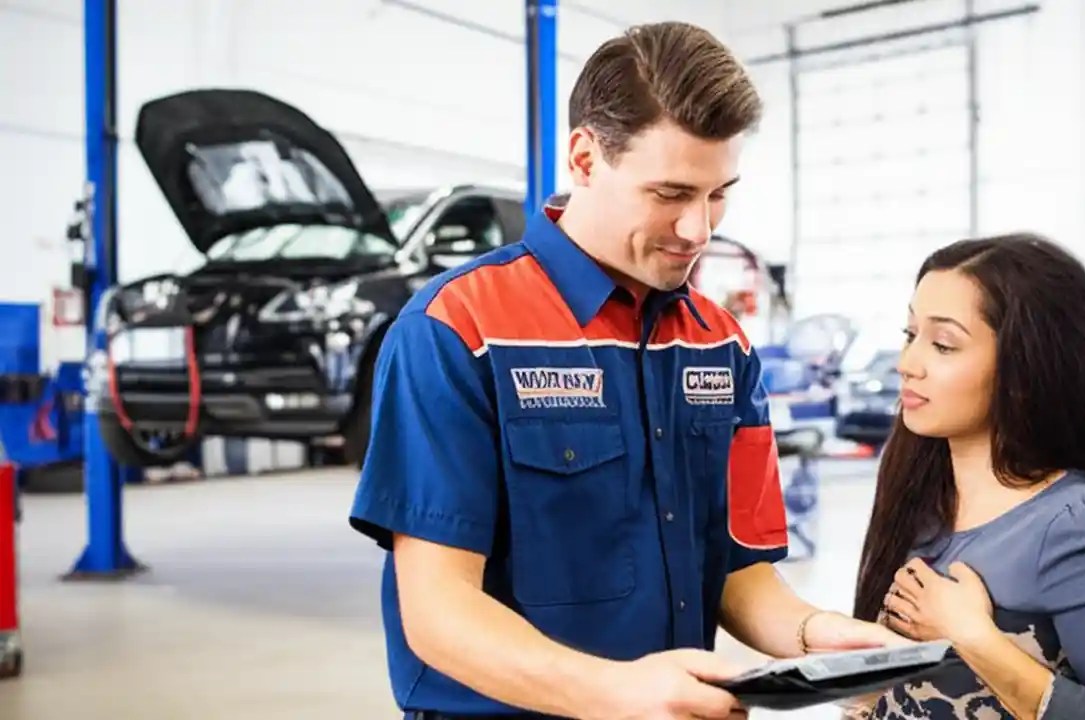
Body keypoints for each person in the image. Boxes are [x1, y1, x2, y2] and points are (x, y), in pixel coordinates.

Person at [348, 21, 899, 720]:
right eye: (670, 193)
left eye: (718, 192)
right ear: (584, 158)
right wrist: (614, 693)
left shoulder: (721, 345)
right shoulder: (459, 329)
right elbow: (437, 610)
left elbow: (737, 569)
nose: (699, 229)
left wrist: (813, 634)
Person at [843, 235, 1085, 719]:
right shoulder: (922, 496)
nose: (908, 364)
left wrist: (973, 637)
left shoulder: (1078, 526)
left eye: (942, 344)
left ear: (1025, 369)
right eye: (909, 334)